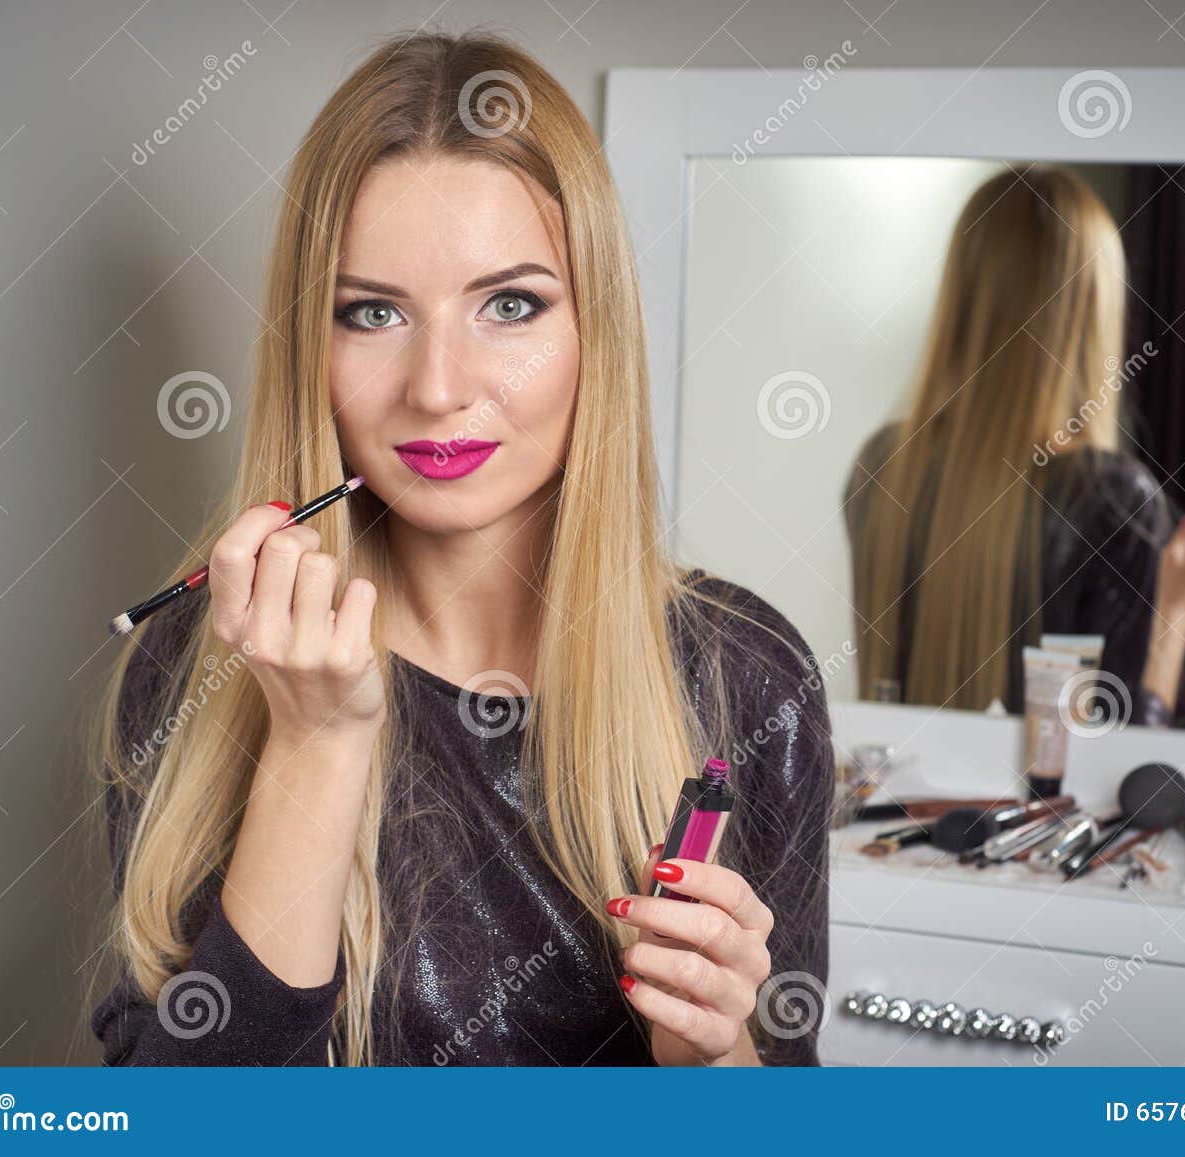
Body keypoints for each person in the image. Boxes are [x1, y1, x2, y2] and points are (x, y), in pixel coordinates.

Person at [89, 32, 833, 1067]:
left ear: (594, 331)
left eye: (510, 304)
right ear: (312, 342)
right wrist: (316, 743)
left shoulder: (748, 676)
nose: (437, 385)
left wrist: (709, 1055)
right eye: (373, 312)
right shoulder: (201, 668)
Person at [844, 166, 1185, 726]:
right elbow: (1116, 781)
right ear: (1091, 314)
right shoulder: (1112, 498)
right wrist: (1173, 616)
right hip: (1043, 818)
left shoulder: (881, 468)